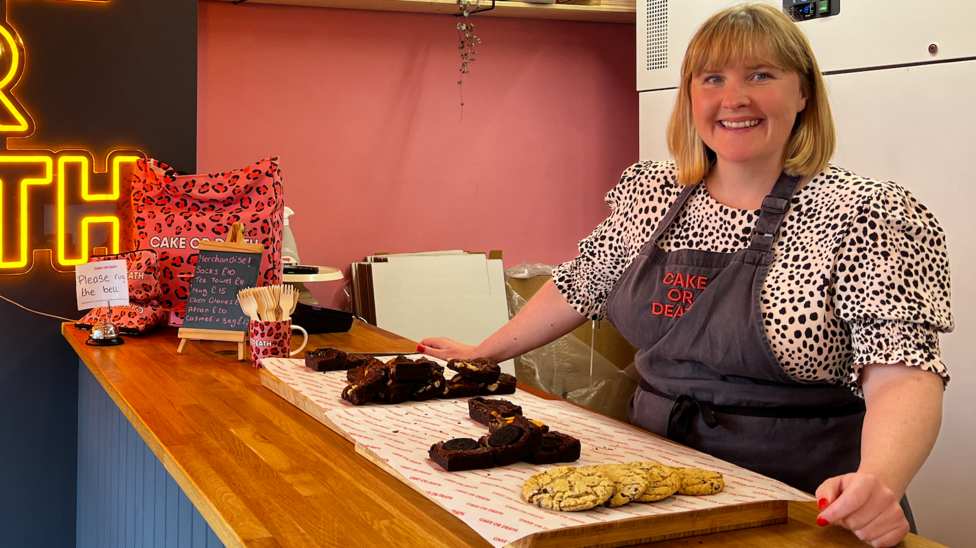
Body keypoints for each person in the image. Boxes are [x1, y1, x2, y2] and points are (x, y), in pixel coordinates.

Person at [419, 4, 952, 548]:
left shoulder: (867, 213)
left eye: (761, 75)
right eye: (713, 78)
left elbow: (904, 375)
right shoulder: (652, 193)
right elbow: (580, 284)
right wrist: (481, 353)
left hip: (799, 496)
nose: (734, 98)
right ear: (690, 96)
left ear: (804, 94)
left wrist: (879, 480)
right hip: (654, 474)